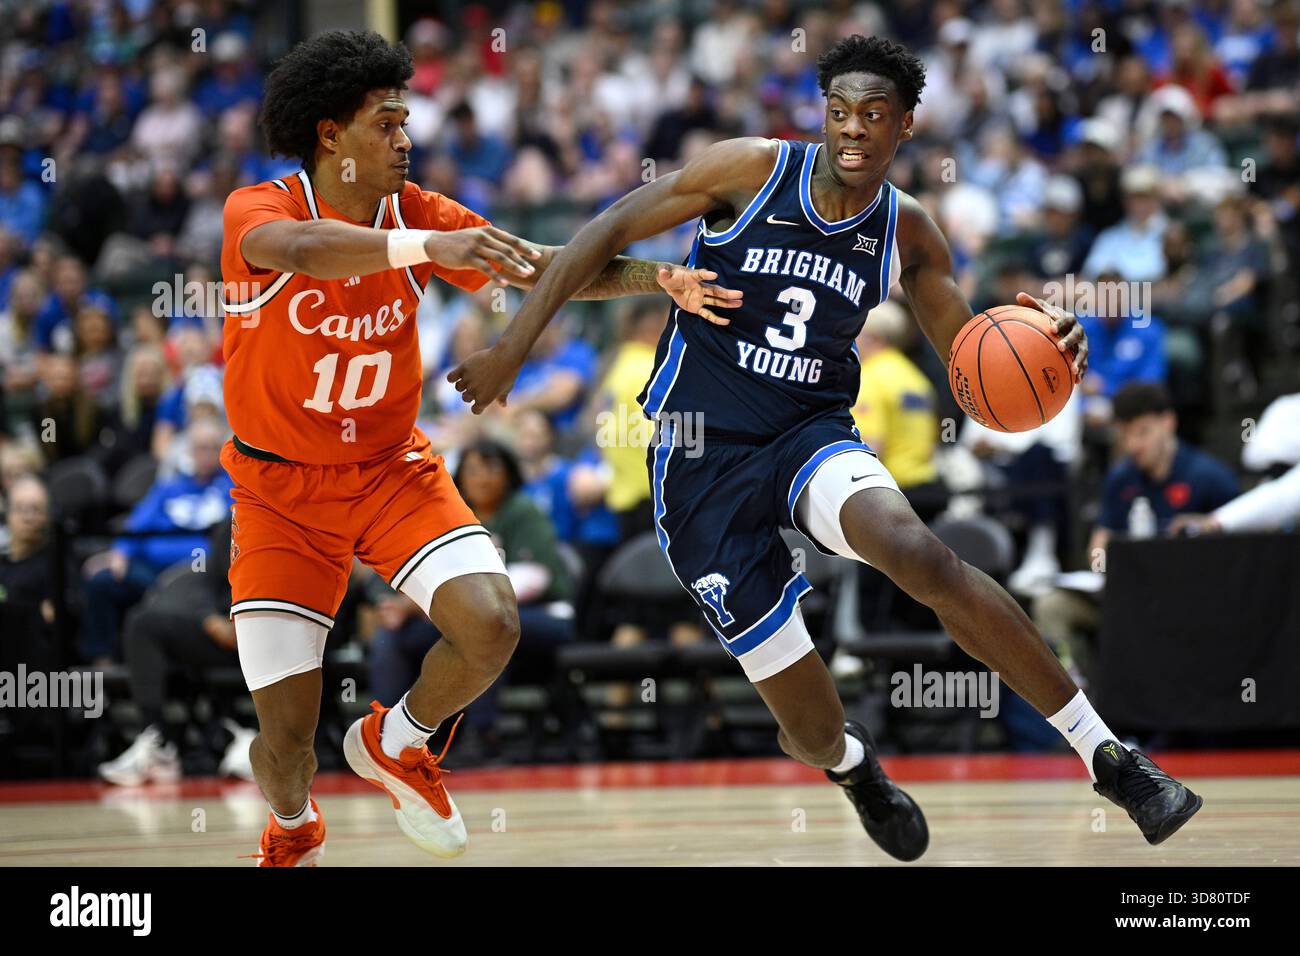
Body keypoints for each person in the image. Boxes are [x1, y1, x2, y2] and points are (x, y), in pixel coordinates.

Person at [451, 34, 1205, 858]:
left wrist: (1042, 348)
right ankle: (853, 769)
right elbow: (600, 236)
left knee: (919, 553)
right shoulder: (747, 169)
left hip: (810, 434)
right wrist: (512, 348)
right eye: (839, 111)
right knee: (810, 728)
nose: (853, 129)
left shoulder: (908, 231)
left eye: (873, 115)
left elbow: (976, 377)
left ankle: (1109, 754)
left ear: (906, 126)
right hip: (702, 458)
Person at [220, 30, 741, 866]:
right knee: (286, 744)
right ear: (330, 134)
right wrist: (427, 247)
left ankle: (402, 741)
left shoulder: (420, 211)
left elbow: (538, 265)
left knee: (494, 622)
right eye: (386, 122)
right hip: (278, 493)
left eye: (406, 121)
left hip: (390, 467)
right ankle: (291, 826)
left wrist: (659, 279)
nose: (405, 139)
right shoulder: (260, 210)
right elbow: (305, 253)